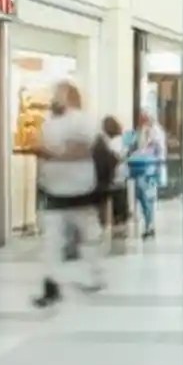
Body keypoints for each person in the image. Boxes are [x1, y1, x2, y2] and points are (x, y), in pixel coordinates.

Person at [33, 81, 106, 307]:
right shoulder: (49, 124)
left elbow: (80, 150)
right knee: (53, 239)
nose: (53, 99)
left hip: (78, 190)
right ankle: (52, 283)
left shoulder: (81, 120)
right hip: (56, 190)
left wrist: (53, 155)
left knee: (86, 235)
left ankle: (94, 275)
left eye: (57, 95)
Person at [125, 110, 166, 239]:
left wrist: (141, 152)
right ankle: (148, 223)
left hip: (150, 169)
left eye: (143, 117)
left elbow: (155, 149)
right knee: (141, 196)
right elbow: (131, 145)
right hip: (139, 168)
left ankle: (150, 225)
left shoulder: (155, 131)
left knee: (148, 197)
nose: (141, 120)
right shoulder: (139, 131)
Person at [101, 116, 130, 239]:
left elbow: (116, 156)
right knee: (120, 199)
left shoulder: (113, 142)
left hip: (115, 174)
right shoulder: (121, 140)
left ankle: (118, 225)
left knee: (117, 200)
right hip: (121, 174)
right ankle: (120, 225)